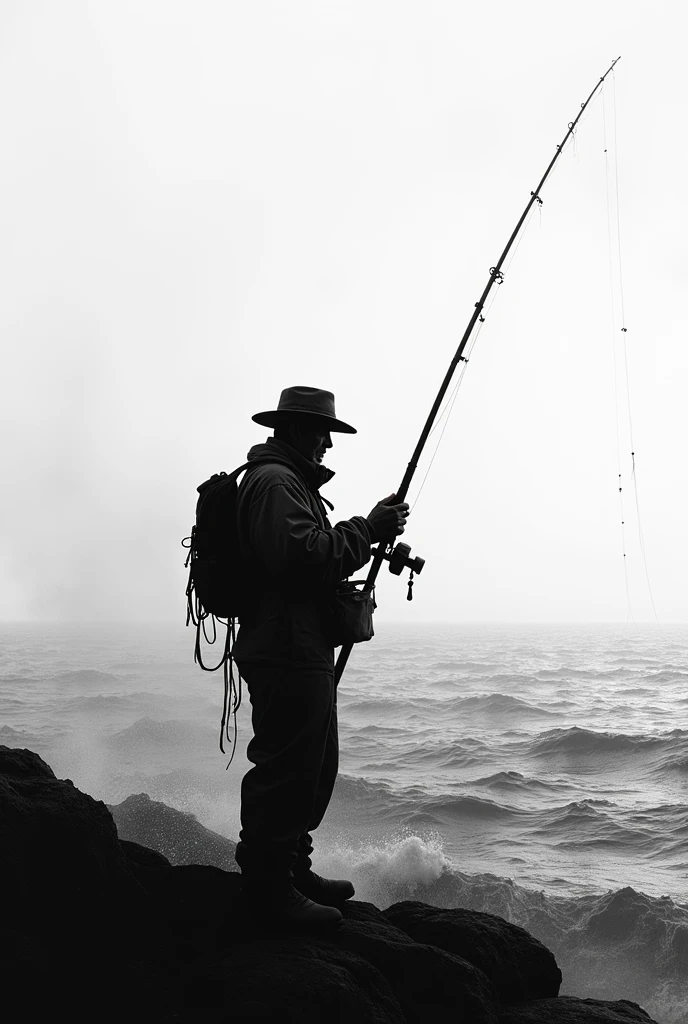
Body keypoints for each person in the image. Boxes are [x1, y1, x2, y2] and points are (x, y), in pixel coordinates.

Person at [233, 385, 409, 926]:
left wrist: (362, 537)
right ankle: (268, 891)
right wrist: (367, 529)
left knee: (312, 763)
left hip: (298, 641)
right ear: (293, 430)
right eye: (320, 433)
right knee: (287, 766)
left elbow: (307, 556)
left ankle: (290, 868)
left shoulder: (287, 482)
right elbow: (302, 559)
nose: (327, 446)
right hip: (286, 646)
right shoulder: (275, 482)